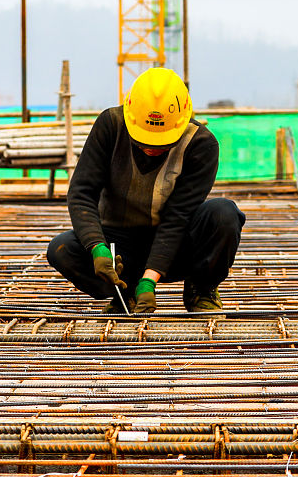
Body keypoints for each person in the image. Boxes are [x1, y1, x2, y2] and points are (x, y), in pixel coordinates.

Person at [46, 68, 245, 314]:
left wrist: (150, 279)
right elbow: (81, 193)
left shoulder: (201, 145)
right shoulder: (110, 126)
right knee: (61, 249)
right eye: (145, 139)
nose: (151, 147)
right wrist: (97, 247)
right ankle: (124, 290)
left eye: (161, 140)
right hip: (119, 247)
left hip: (175, 246)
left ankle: (201, 288)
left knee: (223, 214)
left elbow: (177, 216)